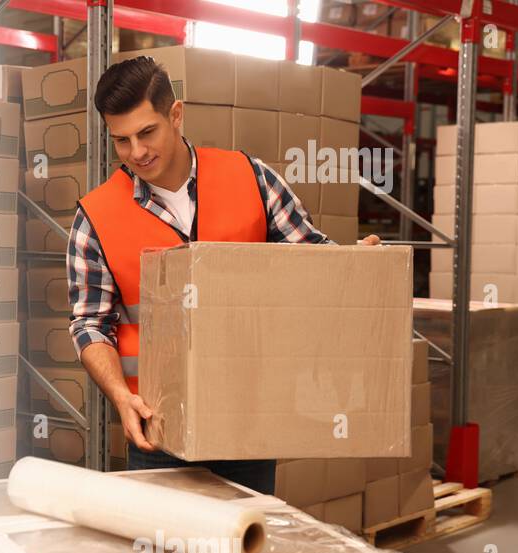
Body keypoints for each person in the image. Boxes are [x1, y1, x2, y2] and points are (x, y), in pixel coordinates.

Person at [66, 56, 381, 494]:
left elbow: (314, 261)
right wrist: (121, 396)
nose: (137, 152)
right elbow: (89, 324)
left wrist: (355, 264)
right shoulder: (96, 216)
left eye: (147, 132)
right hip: (157, 427)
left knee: (242, 548)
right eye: (121, 141)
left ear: (175, 115)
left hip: (247, 423)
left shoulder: (251, 179)